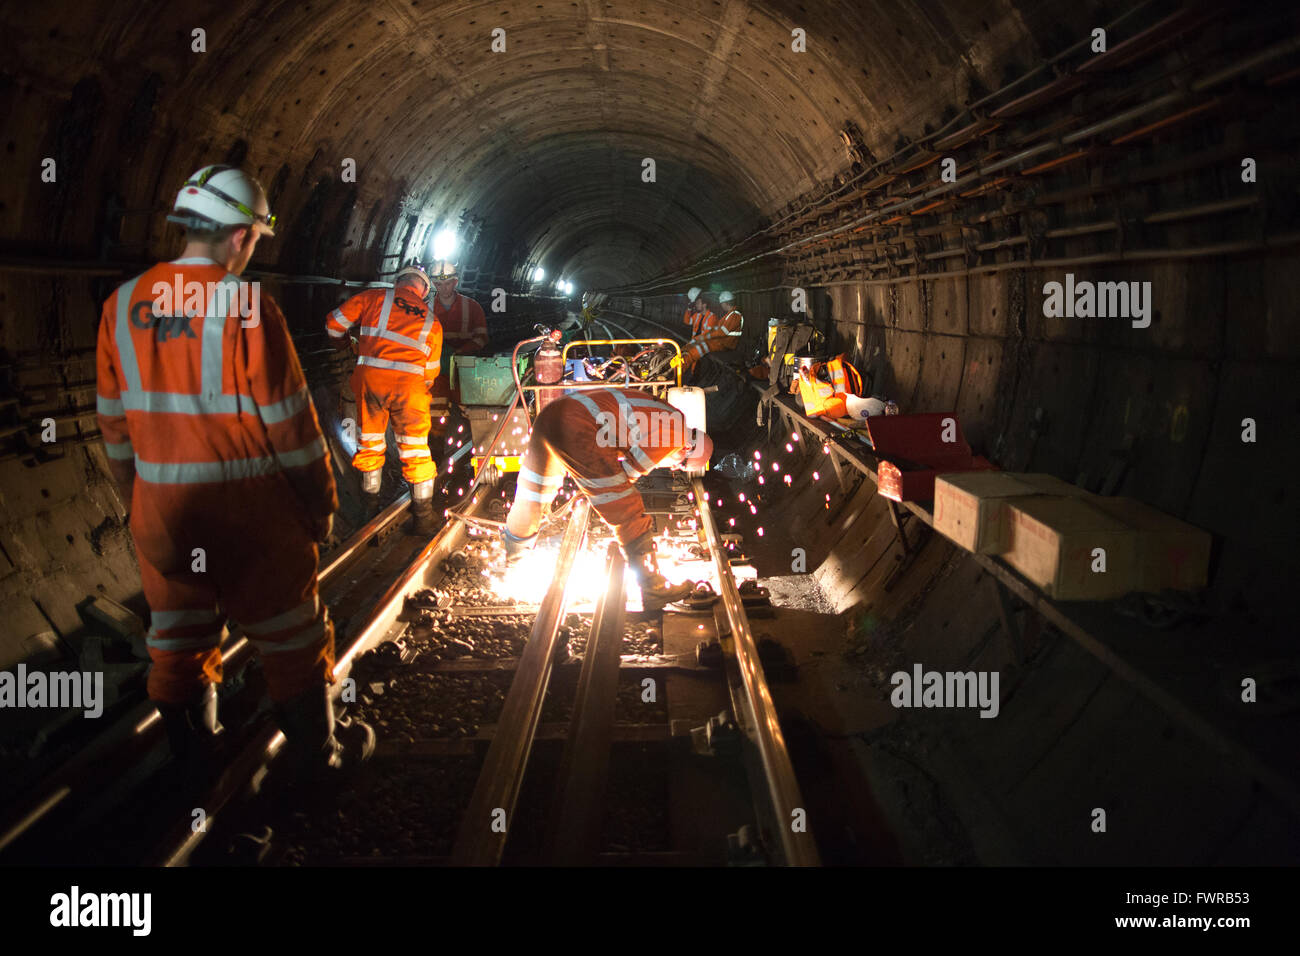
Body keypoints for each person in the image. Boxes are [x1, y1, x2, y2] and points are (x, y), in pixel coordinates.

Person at [96, 164, 373, 783]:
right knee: (292, 640)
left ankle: (199, 769)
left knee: (177, 642)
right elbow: (292, 428)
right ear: (243, 237)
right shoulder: (247, 307)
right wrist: (321, 503)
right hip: (252, 518)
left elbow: (114, 434)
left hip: (165, 518)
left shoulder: (119, 308)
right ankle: (317, 765)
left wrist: (142, 506)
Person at [502, 387, 713, 610]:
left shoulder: (666, 414)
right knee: (627, 507)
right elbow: (628, 476)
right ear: (688, 447)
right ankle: (654, 588)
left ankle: (514, 568)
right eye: (680, 464)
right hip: (581, 424)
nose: (673, 466)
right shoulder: (677, 434)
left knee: (532, 496)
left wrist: (593, 487)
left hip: (552, 415)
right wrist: (599, 494)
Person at [326, 263, 443, 534]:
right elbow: (430, 373)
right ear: (424, 291)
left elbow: (333, 324)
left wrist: (343, 345)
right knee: (415, 449)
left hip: (371, 382)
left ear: (397, 280)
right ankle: (423, 516)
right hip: (410, 388)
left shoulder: (374, 297)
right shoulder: (431, 320)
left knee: (371, 443)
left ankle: (370, 509)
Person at [426, 259, 487, 445]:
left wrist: (460, 351)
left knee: (469, 413)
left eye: (447, 283)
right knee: (436, 414)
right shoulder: (425, 308)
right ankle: (436, 455)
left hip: (465, 371)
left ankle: (472, 450)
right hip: (436, 372)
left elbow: (482, 338)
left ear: (455, 282)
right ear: (433, 284)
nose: (443, 288)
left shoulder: (472, 307)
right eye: (438, 284)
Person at [674, 289, 743, 374]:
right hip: (718, 342)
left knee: (696, 350)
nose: (721, 305)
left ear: (726, 303)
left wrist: (704, 337)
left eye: (722, 303)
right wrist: (699, 338)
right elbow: (716, 329)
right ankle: (673, 364)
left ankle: (676, 371)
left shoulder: (735, 315)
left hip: (724, 344)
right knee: (687, 348)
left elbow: (722, 332)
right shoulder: (728, 315)